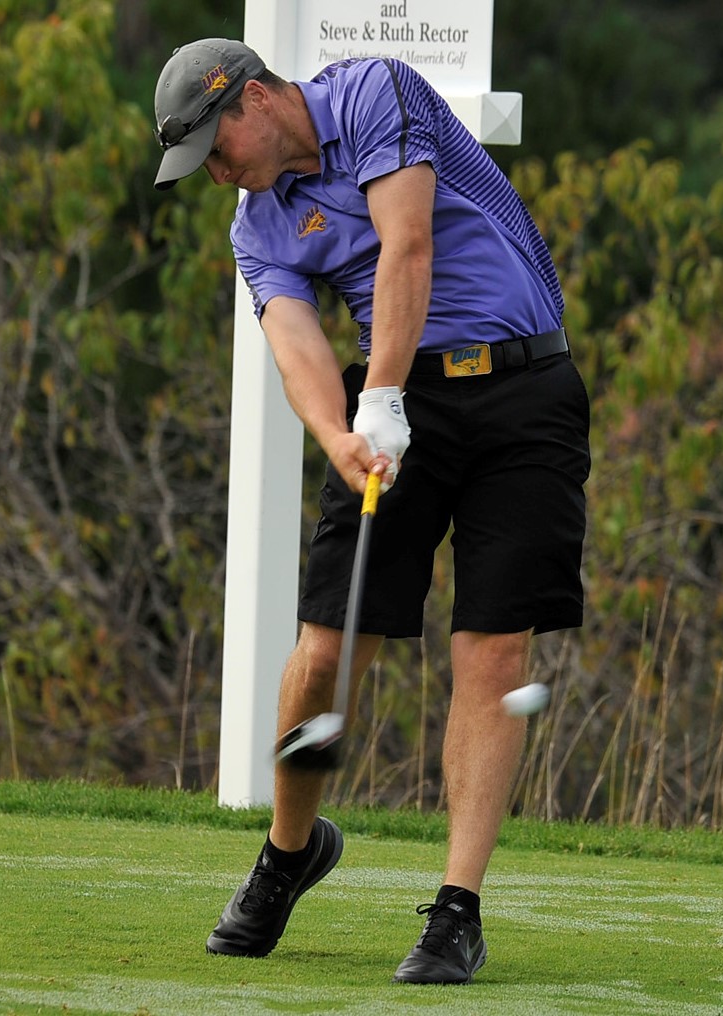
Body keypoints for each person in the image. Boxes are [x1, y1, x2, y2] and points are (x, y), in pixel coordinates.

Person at [152, 37, 590, 985]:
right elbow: (294, 340)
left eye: (215, 151)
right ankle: (289, 851)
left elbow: (408, 243)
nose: (217, 175)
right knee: (326, 649)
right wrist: (338, 433)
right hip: (391, 409)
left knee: (492, 650)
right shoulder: (256, 224)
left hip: (524, 392)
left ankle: (457, 910)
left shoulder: (374, 93)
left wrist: (380, 393)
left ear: (253, 100)